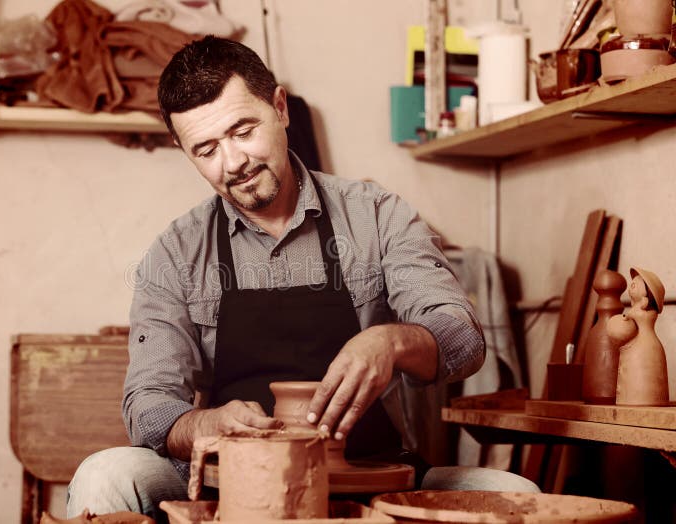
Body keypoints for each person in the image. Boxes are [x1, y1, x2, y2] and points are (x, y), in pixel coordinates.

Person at [67, 35, 533, 522]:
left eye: (244, 131)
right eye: (206, 150)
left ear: (281, 108)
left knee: (510, 488)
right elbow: (148, 406)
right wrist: (206, 423)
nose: (233, 163)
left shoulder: (376, 215)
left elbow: (462, 339)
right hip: (228, 479)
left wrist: (392, 342)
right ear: (185, 152)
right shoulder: (175, 253)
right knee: (106, 474)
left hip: (366, 470)